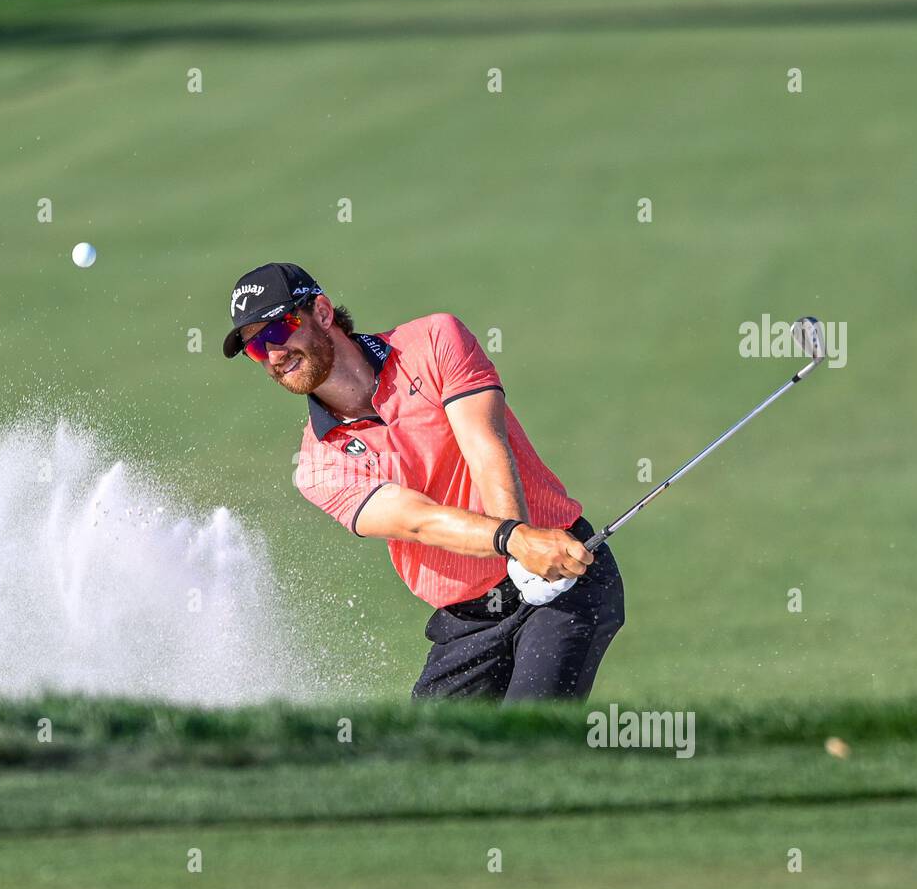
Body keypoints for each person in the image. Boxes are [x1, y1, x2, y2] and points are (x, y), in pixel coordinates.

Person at [221, 263, 624, 701]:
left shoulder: (434, 340)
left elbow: (484, 444)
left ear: (321, 312)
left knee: (528, 744)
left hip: (562, 572)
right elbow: (418, 520)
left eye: (278, 330)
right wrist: (512, 540)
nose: (274, 354)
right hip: (468, 621)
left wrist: (524, 544)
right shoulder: (317, 464)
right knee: (430, 761)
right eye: (256, 348)